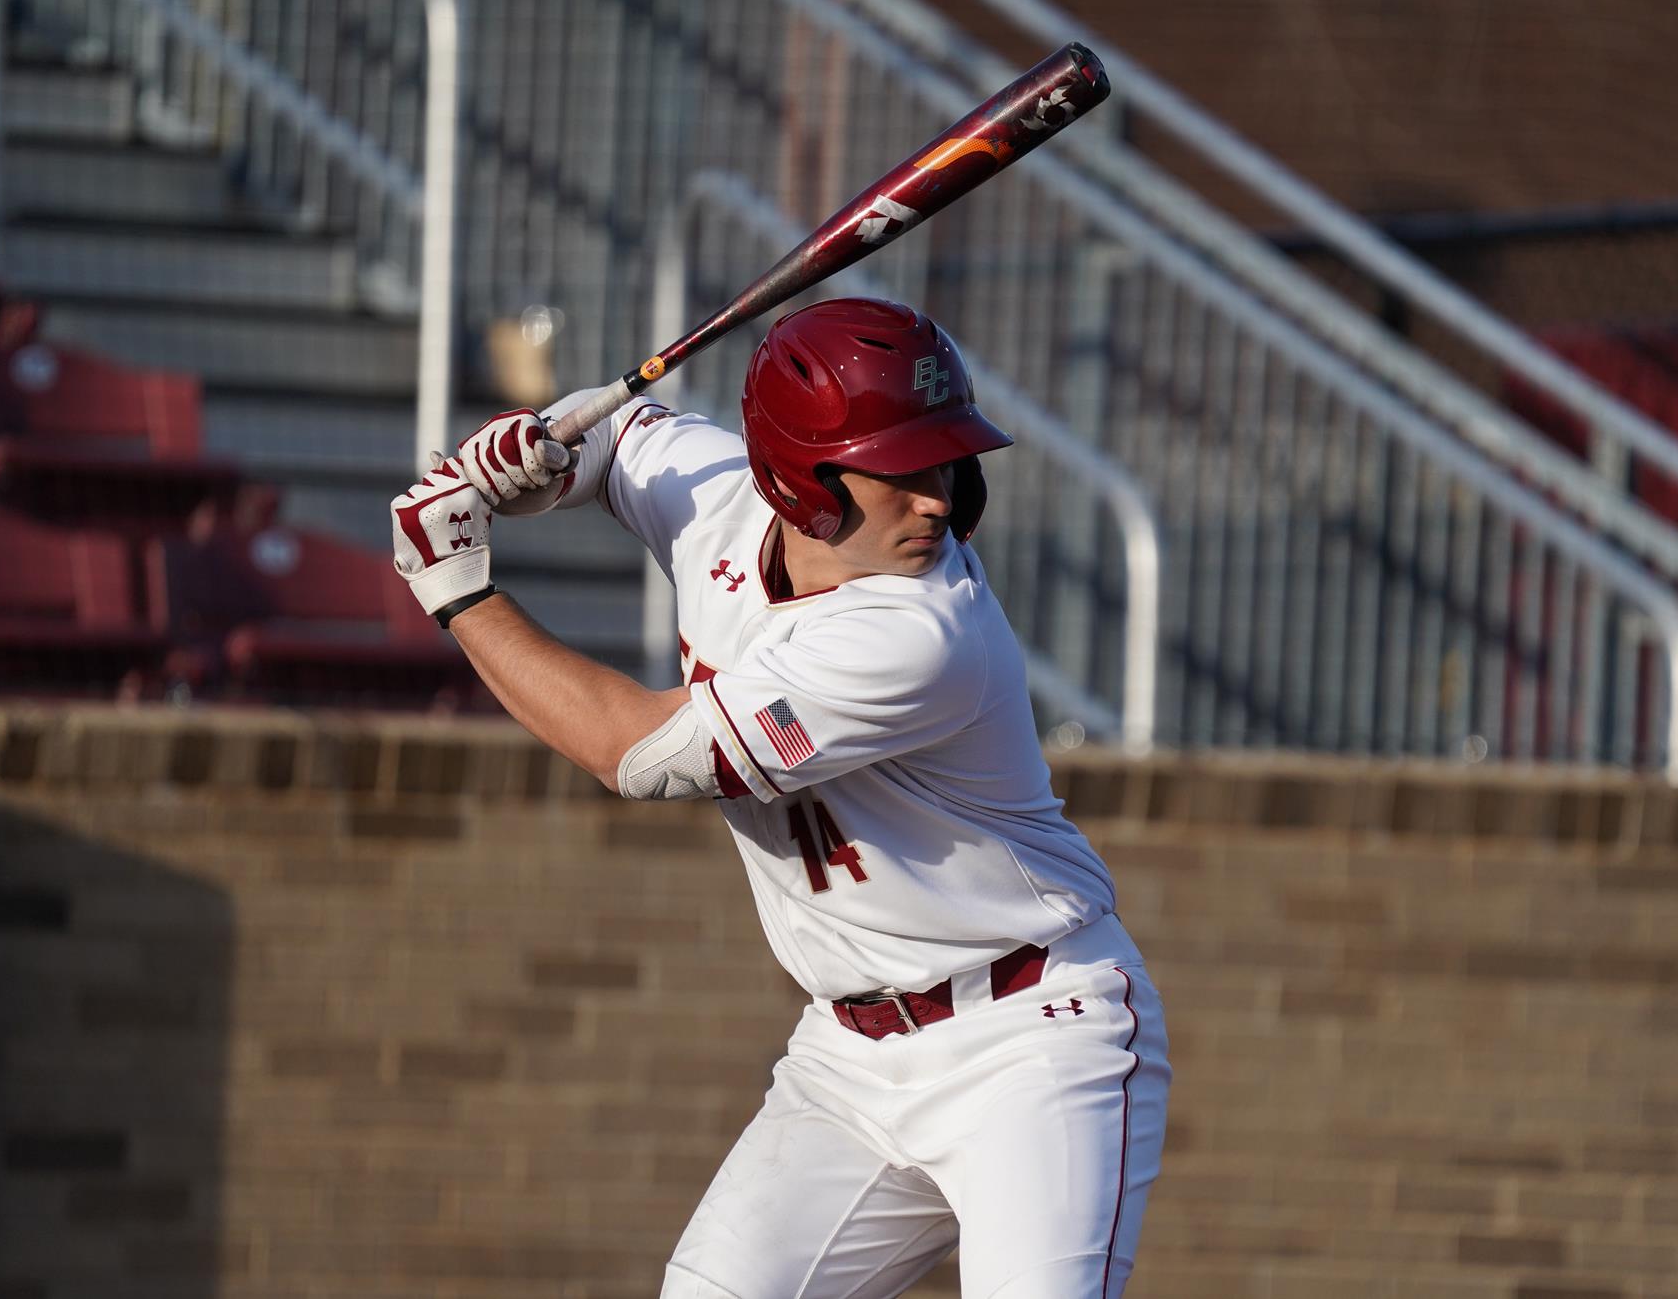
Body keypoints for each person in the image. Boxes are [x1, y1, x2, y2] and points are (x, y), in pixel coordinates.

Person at [389, 298, 1170, 1297]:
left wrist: (457, 587)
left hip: (1030, 1041)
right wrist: (540, 459)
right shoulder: (717, 493)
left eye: (946, 461)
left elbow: (633, 753)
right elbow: (621, 434)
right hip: (846, 1060)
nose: (937, 499)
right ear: (800, 481)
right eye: (900, 468)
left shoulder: (923, 635)